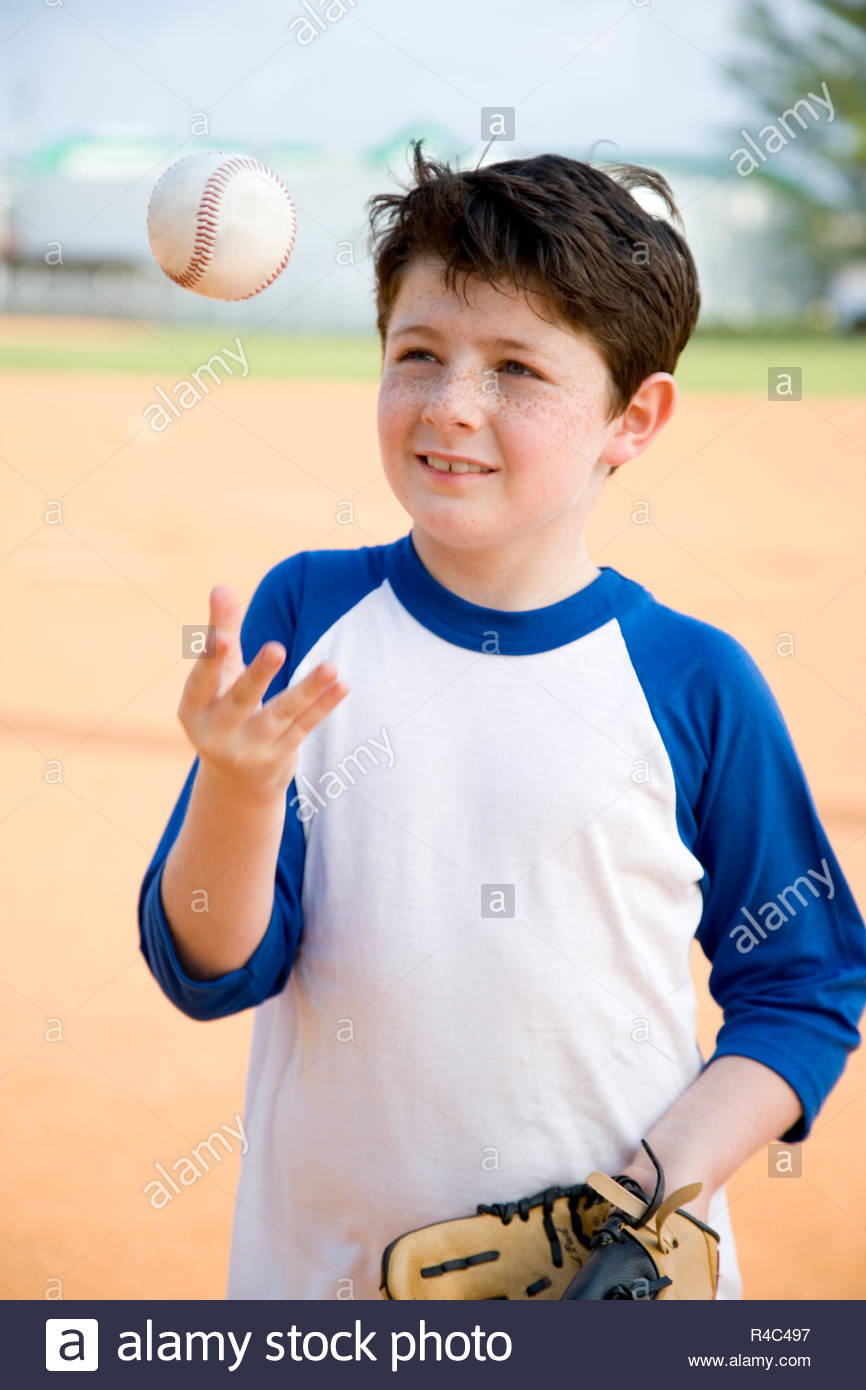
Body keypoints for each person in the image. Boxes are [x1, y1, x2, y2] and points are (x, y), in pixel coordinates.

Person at [138, 140, 866, 1301]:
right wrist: (233, 788)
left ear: (633, 417)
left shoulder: (691, 680)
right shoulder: (308, 615)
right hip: (328, 1291)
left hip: (610, 1298)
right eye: (416, 353)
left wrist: (638, 1197)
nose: (450, 407)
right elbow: (211, 967)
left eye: (516, 370)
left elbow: (801, 987)